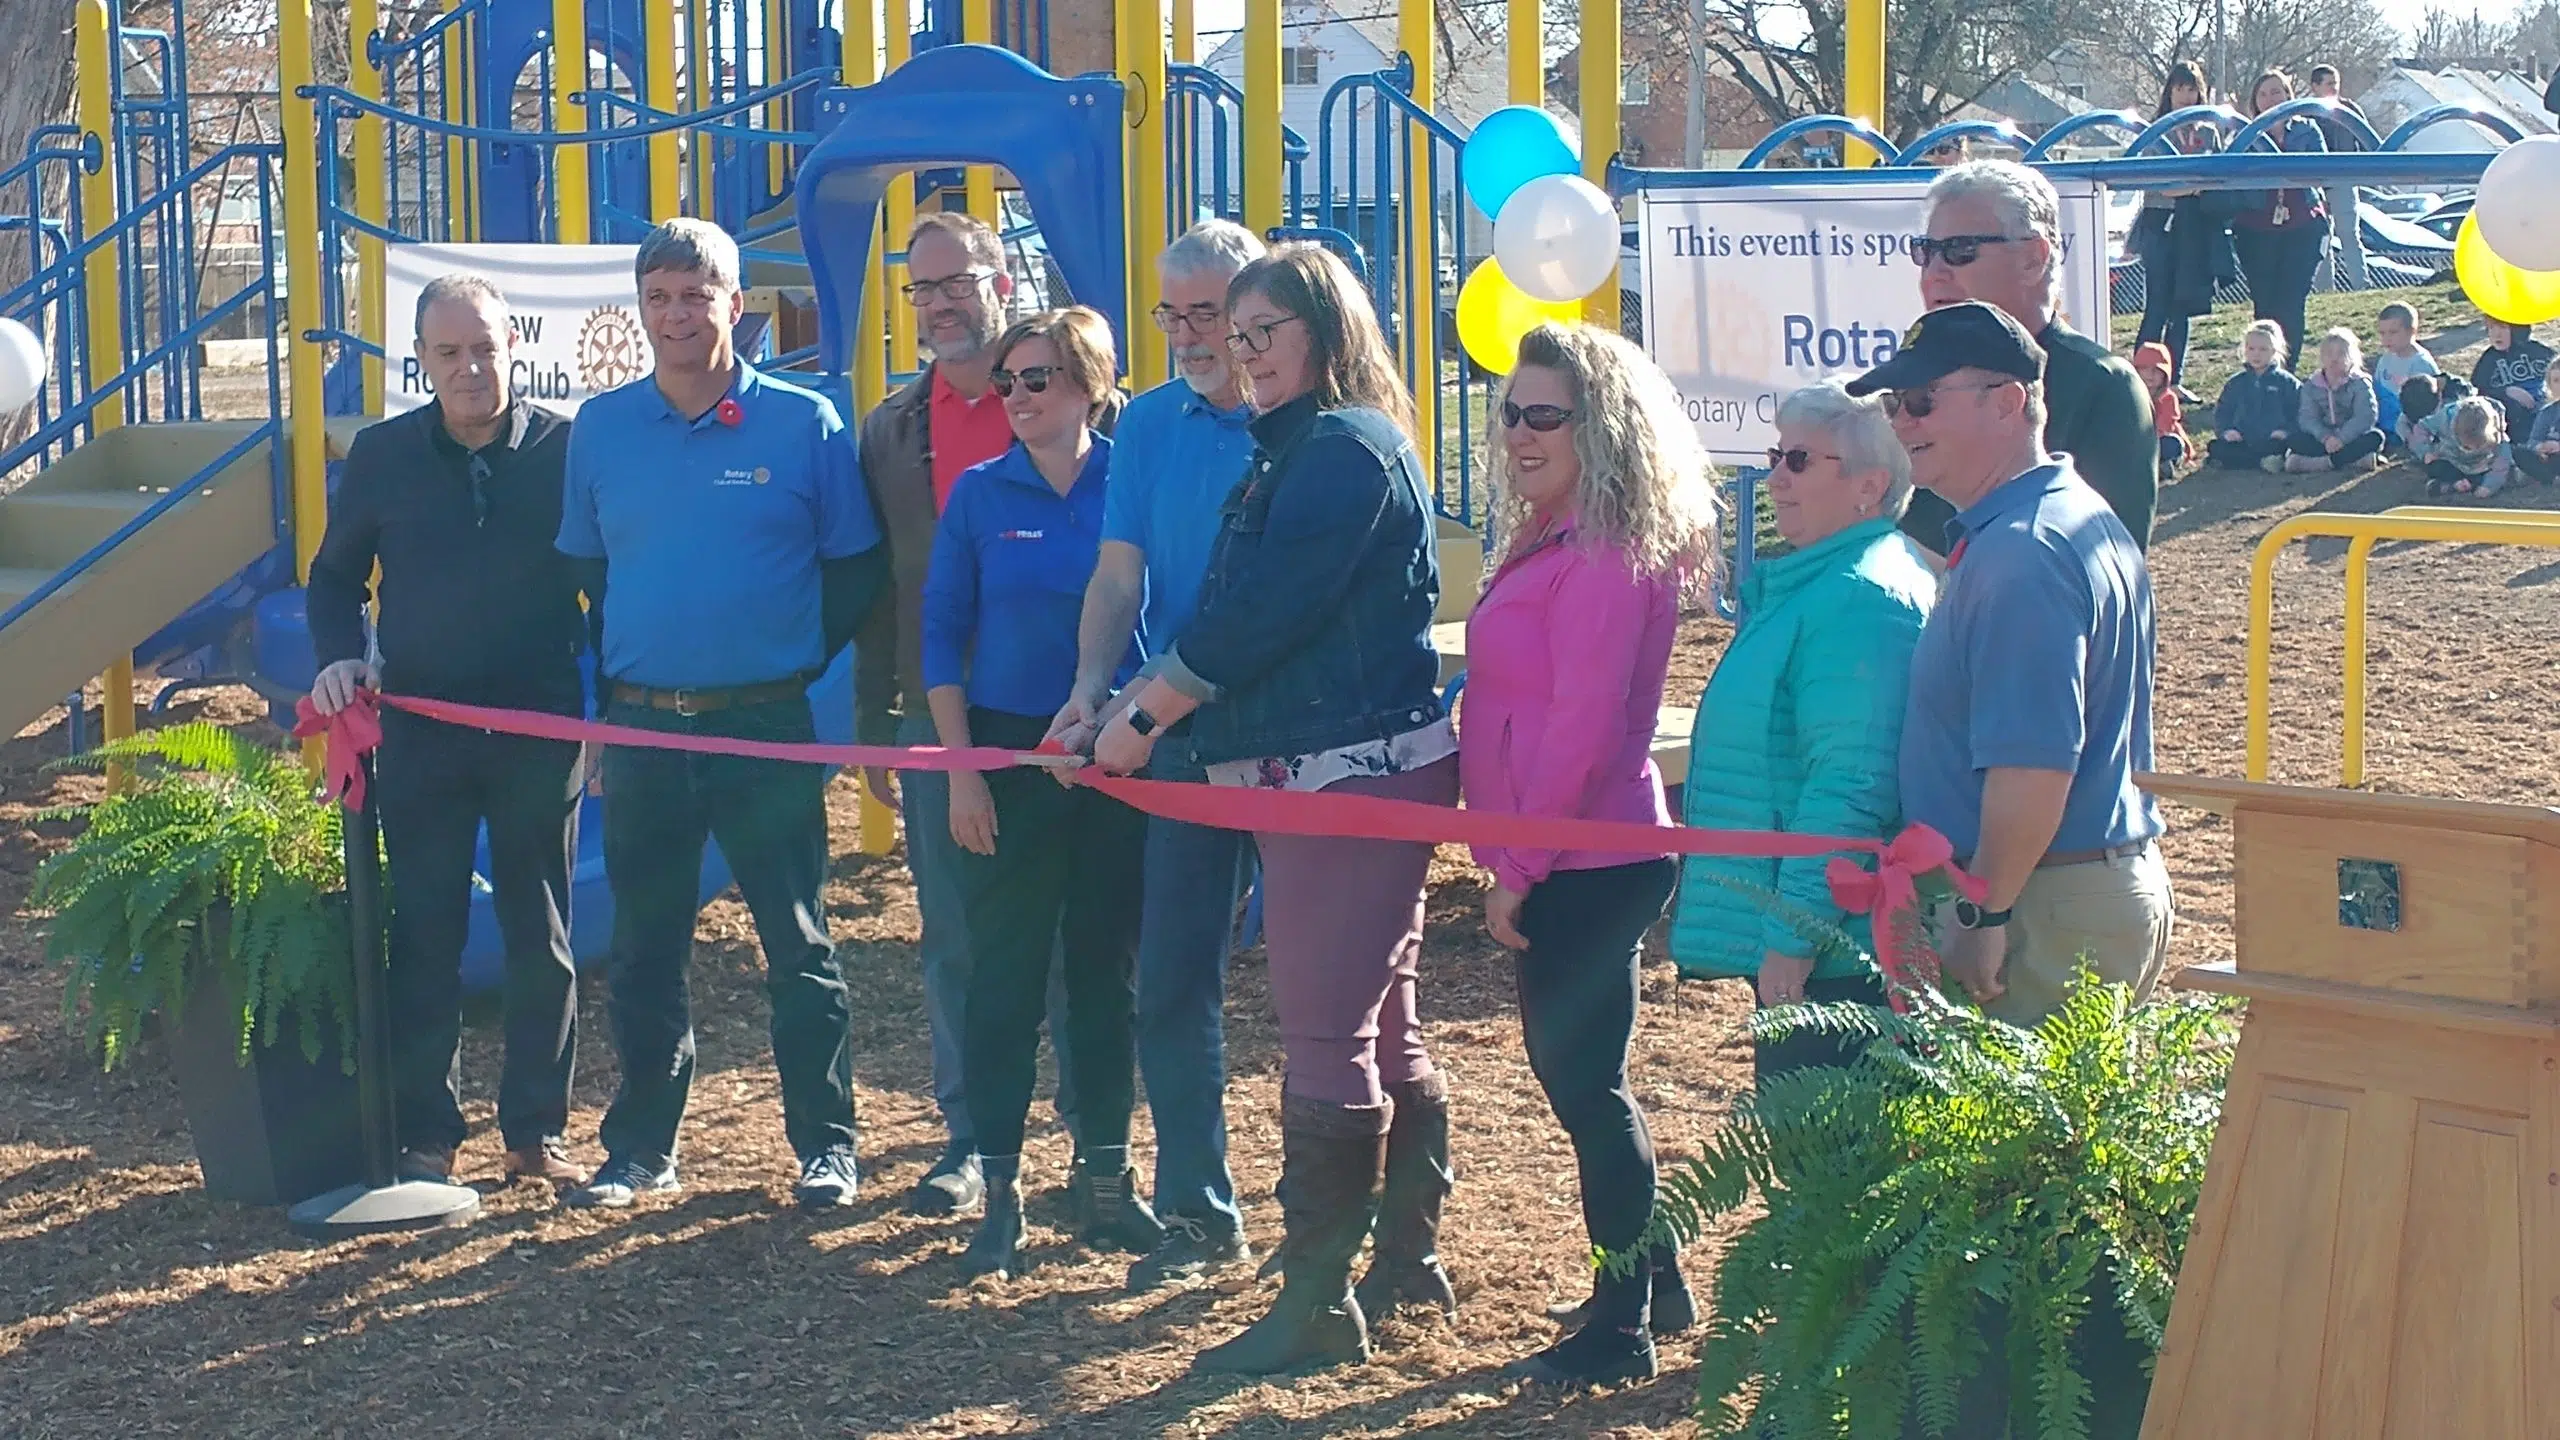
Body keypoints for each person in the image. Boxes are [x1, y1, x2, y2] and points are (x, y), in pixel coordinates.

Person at [1089, 243, 1455, 1376]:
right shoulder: (1304, 445)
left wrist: (1142, 716)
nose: (1240, 354)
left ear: (1326, 334)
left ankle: (1317, 1298)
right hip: (1325, 766)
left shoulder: (1340, 451)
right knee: (1376, 1018)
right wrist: (1121, 717)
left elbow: (1256, 621)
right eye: (1229, 334)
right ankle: (1396, 1258)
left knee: (1323, 1033)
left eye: (1262, 333)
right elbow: (1243, 625)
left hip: (1344, 774)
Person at [555, 219, 887, 1209]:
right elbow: (585, 575)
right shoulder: (603, 431)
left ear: (735, 307)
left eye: (697, 295)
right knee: (646, 945)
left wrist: (782, 656)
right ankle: (642, 1150)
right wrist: (611, 704)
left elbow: (857, 570)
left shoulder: (804, 424)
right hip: (647, 731)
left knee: (798, 941)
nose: (676, 315)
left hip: (763, 725)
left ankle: (826, 1145)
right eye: (658, 297)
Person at [1455, 323, 1722, 1387]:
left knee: (1585, 1090)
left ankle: (1620, 1325)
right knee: (1585, 1083)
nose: (1517, 430)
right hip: (1573, 845)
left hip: (1585, 853)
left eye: (1542, 414)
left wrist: (1518, 868)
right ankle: (1651, 1279)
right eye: (1510, 411)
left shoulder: (1604, 553)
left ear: (1598, 425)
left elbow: (1580, 728)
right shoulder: (1562, 532)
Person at [306, 273, 588, 1190]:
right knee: (424, 930)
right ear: (420, 362)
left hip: (539, 728)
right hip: (421, 730)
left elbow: (610, 582)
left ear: (515, 350)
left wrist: (622, 701)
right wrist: (339, 656)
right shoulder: (383, 455)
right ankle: (426, 1135)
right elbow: (333, 577)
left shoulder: (566, 450)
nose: (471, 368)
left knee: (538, 932)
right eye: (450, 353)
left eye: (486, 349)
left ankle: (535, 1130)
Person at [855, 209, 1103, 1217]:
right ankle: (970, 1142)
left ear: (1005, 281)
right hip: (943, 719)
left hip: (1078, 720)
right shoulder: (889, 430)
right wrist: (878, 716)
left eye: (961, 280)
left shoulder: (1057, 395)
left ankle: (1095, 1142)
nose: (942, 302)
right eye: (923, 288)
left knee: (1080, 941)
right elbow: (881, 586)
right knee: (958, 935)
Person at [1045, 220, 1269, 1291]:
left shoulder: (1316, 430)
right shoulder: (1147, 429)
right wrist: (1093, 685)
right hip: (1178, 739)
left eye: (1208, 313)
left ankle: (1393, 1237)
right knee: (1171, 984)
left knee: (1355, 1005)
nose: (1187, 334)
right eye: (1169, 314)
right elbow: (1116, 579)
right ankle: (1197, 1213)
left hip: (1310, 746)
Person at [919, 307, 1163, 1278]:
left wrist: (1121, 720)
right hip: (1011, 757)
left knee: (1105, 974)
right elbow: (938, 634)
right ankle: (1000, 1187)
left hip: (1115, 753)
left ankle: (1105, 1179)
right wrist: (964, 769)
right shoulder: (979, 495)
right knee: (1004, 978)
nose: (1018, 396)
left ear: (1090, 383)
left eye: (1041, 377)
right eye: (1009, 380)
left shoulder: (1130, 483)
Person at [1849, 300, 2173, 1026]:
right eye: (1896, 403)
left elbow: (2033, 769)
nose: (1901, 423)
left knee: (2016, 1143)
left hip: (2040, 909)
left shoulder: (2021, 551)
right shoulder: (2058, 519)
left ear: (2009, 402)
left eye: (1923, 401)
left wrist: (1983, 912)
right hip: (2071, 891)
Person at [1673, 381, 1932, 1060]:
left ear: (1867, 487)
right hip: (1829, 937)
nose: (1775, 478)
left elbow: (1851, 784)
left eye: (1799, 461)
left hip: (1837, 953)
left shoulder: (1859, 600)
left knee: (1829, 1154)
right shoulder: (1831, 585)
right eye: (1776, 455)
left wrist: (1794, 937)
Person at [1902, 160, 2157, 552]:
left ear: (2033, 258)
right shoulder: (1909, 382)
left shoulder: (2103, 387)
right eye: (1926, 251)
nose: (1933, 272)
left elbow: (2102, 563)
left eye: (1959, 250)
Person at [2130, 61, 2226, 383]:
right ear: (2168, 92)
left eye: (2191, 89)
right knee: (2157, 302)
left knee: (2183, 303)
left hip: (2194, 225)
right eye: (2179, 89)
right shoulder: (2155, 130)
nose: (2185, 96)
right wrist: (2193, 187)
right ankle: (2141, 377)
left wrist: (2198, 188)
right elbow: (2153, 181)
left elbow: (2220, 175)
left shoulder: (2209, 130)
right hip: (2161, 221)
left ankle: (2174, 380)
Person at [2230, 69, 2328, 376]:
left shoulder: (2308, 130)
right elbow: (2236, 175)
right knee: (2265, 302)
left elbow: (2321, 170)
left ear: (2288, 95)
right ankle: (2262, 366)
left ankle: (2289, 369)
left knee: (2293, 300)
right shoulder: (2247, 134)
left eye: (2276, 92)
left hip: (2302, 227)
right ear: (2254, 102)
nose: (2270, 98)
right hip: (2256, 230)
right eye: (2263, 94)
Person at [2304, 65, 2371, 292]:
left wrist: (2358, 169)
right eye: (2329, 83)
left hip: (2343, 180)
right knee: (2322, 239)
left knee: (2350, 236)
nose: (2334, 88)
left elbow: (2367, 142)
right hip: (2315, 184)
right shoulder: (2305, 113)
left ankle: (2361, 287)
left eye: (2336, 83)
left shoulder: (2349, 110)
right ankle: (2324, 292)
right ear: (2315, 86)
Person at [2288, 327, 2384, 474]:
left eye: (2341, 353)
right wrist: (2325, 437)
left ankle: (2319, 463)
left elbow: (2366, 416)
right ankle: (2354, 461)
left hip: (2350, 437)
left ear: (2352, 357)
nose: (2334, 359)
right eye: (2329, 353)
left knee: (2376, 437)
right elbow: (2307, 418)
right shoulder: (2311, 385)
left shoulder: (2360, 383)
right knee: (2295, 439)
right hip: (2322, 440)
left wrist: (2341, 439)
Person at [2207, 320, 2299, 472]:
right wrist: (2226, 430)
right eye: (2251, 348)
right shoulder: (2236, 382)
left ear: (2274, 351)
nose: (2256, 354)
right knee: (2215, 447)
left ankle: (2247, 461)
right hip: (2242, 439)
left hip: (2272, 439)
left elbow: (2298, 412)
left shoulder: (2287, 382)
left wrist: (2286, 431)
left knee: (2282, 446)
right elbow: (2223, 411)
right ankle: (2260, 462)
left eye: (2263, 349)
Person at [2470, 318, 2555, 444]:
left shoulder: (2540, 352)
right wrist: (2505, 392)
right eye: (2491, 328)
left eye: (2503, 328)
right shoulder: (2488, 360)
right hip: (2517, 426)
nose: (2496, 334)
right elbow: (2475, 394)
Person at [2371, 300, 2438, 440]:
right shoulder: (2385, 358)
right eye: (2382, 333)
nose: (2386, 339)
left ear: (2412, 331)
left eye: (2393, 332)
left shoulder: (2420, 364)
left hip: (2407, 422)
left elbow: (2426, 408)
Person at [2427, 395, 2516, 499]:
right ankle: (2455, 484)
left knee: (2502, 475)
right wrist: (2425, 451)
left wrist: (2488, 487)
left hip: (2481, 466)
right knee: (2436, 467)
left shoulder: (2499, 438)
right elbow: (2422, 427)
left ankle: (2458, 486)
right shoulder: (2444, 419)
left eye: (2477, 445)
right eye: (2467, 445)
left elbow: (2501, 465)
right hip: (2454, 461)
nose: (2471, 448)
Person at [2520, 360, 2560, 485]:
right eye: (2556, 381)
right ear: (2549, 385)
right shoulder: (2547, 412)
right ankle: (2551, 479)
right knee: (2520, 453)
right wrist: (2540, 447)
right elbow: (2533, 440)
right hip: (2551, 458)